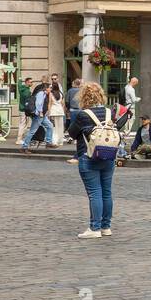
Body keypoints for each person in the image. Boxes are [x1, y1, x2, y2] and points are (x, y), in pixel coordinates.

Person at [66, 81, 120, 239]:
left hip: (88, 155)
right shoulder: (109, 112)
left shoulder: (83, 115)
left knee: (94, 192)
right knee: (106, 192)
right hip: (109, 154)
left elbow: (72, 133)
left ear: (83, 96)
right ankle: (106, 226)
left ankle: (94, 228)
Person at [20, 80, 57, 152]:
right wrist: (40, 112)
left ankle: (48, 142)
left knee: (50, 126)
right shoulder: (41, 93)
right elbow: (39, 104)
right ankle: (24, 147)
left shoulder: (44, 94)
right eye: (50, 87)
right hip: (39, 115)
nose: (51, 89)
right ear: (46, 88)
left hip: (42, 115)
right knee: (32, 131)